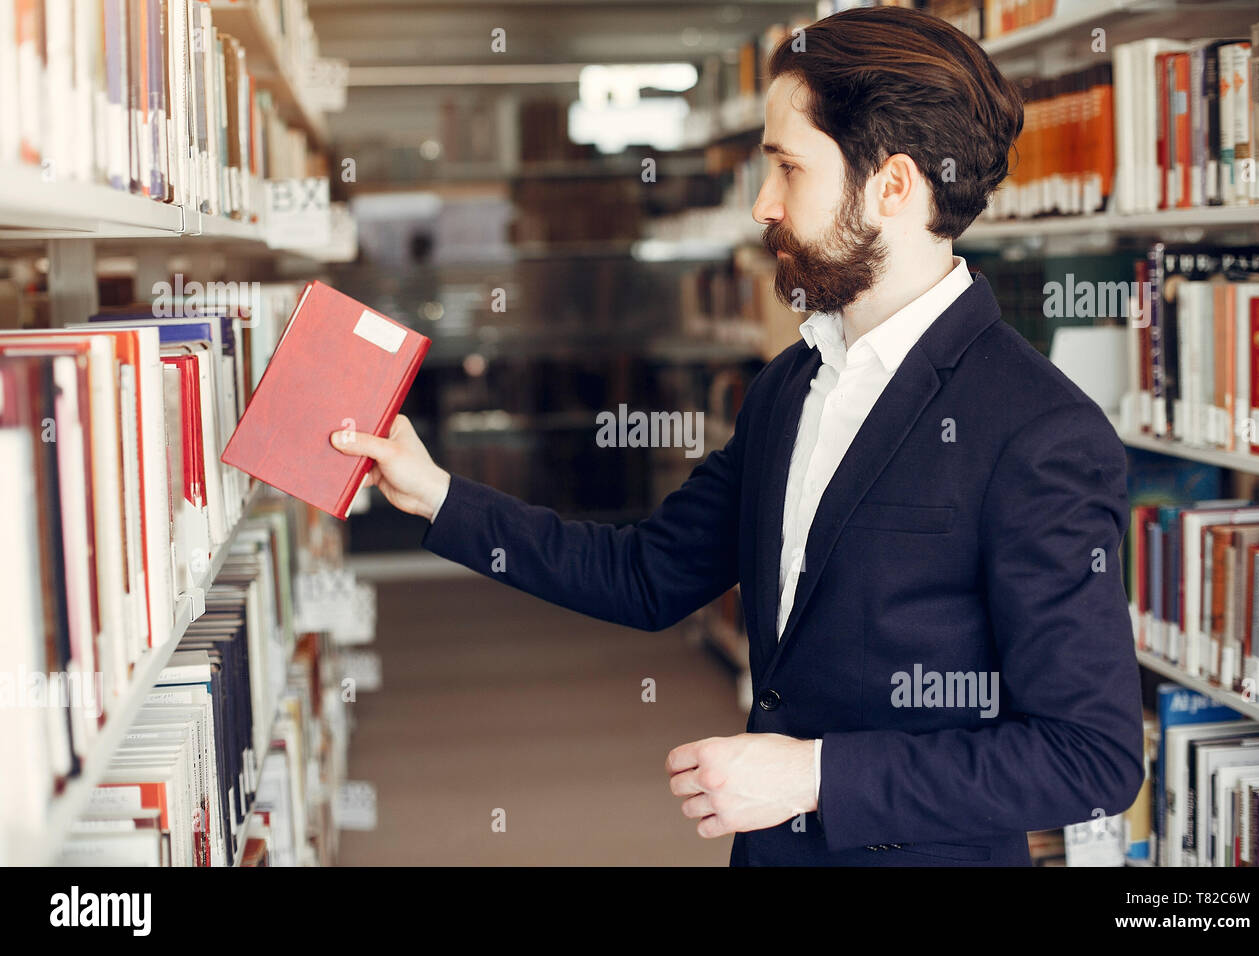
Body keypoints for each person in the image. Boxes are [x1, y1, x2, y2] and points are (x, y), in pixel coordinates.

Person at [330, 6, 1144, 866]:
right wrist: (439, 496)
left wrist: (817, 777)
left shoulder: (1039, 432)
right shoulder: (787, 388)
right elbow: (646, 574)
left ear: (893, 186)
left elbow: (1090, 757)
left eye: (788, 169)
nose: (763, 205)